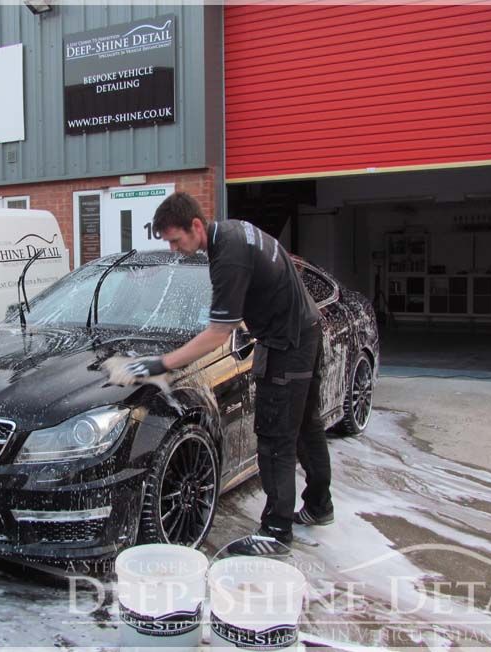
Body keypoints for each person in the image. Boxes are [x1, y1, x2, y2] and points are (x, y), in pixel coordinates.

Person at [115, 192, 334, 554]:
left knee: (275, 436)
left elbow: (219, 333)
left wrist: (162, 364)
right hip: (304, 331)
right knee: (306, 425)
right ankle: (319, 505)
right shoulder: (233, 232)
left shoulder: (228, 256)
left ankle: (276, 531)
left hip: (286, 344)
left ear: (195, 225)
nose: (173, 249)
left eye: (175, 240)